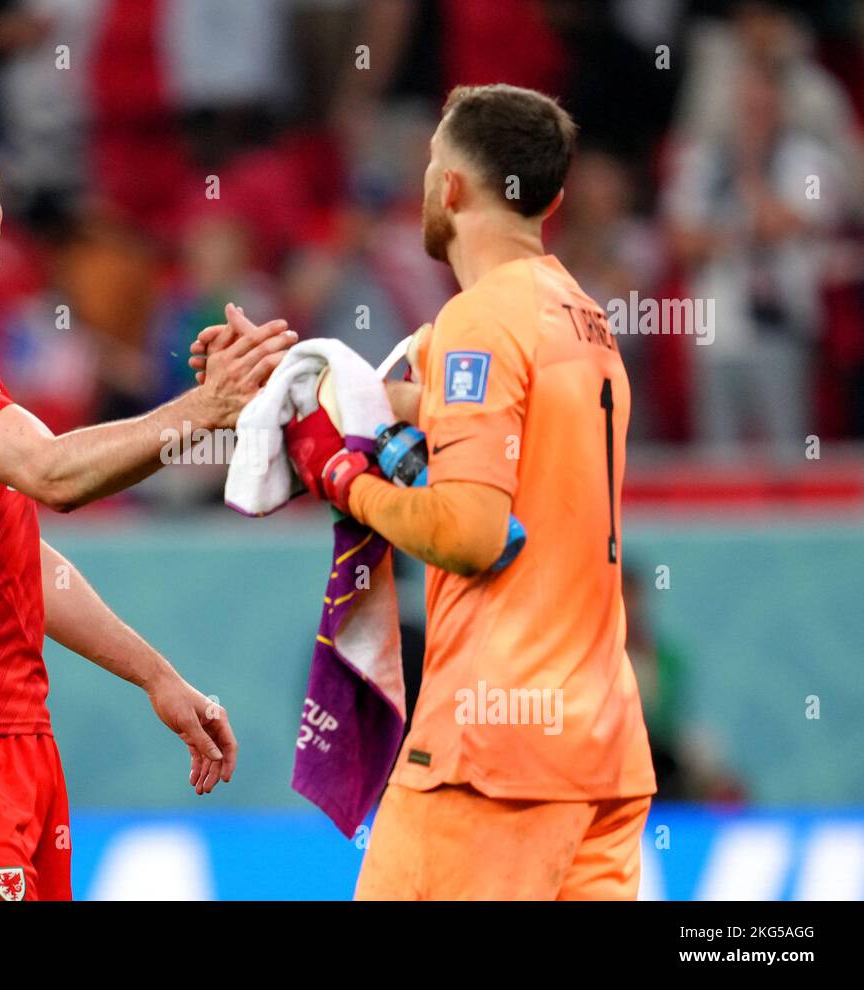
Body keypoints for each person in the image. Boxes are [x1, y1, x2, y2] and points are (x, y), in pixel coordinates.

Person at [0, 91, 295, 901]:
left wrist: (156, 676)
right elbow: (54, 474)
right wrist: (205, 411)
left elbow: (16, 555)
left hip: (14, 733)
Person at [195, 83, 657, 900]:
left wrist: (345, 480)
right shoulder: (579, 316)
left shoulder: (480, 322)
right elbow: (447, 415)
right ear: (548, 196)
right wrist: (291, 379)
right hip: (599, 751)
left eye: (429, 167)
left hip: (495, 751)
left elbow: (471, 534)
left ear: (450, 187)